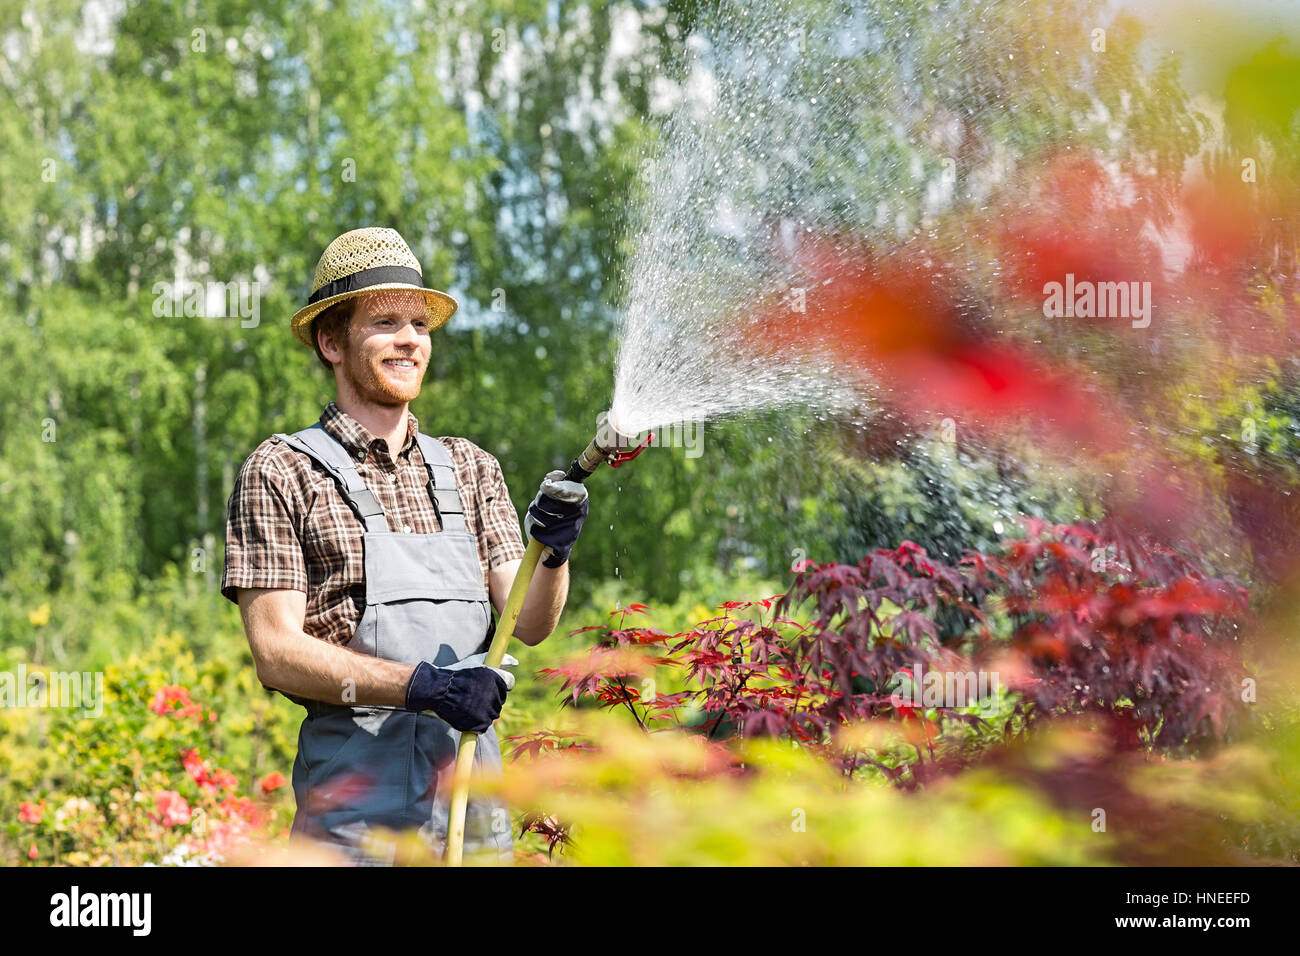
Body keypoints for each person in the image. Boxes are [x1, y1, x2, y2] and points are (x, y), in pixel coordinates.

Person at [221, 227, 588, 864]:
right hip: (355, 823)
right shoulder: (282, 471)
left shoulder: (471, 468)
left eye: (420, 323)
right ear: (331, 342)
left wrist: (551, 553)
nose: (410, 339)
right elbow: (276, 653)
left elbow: (529, 622)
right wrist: (420, 687)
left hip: (472, 812)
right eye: (385, 321)